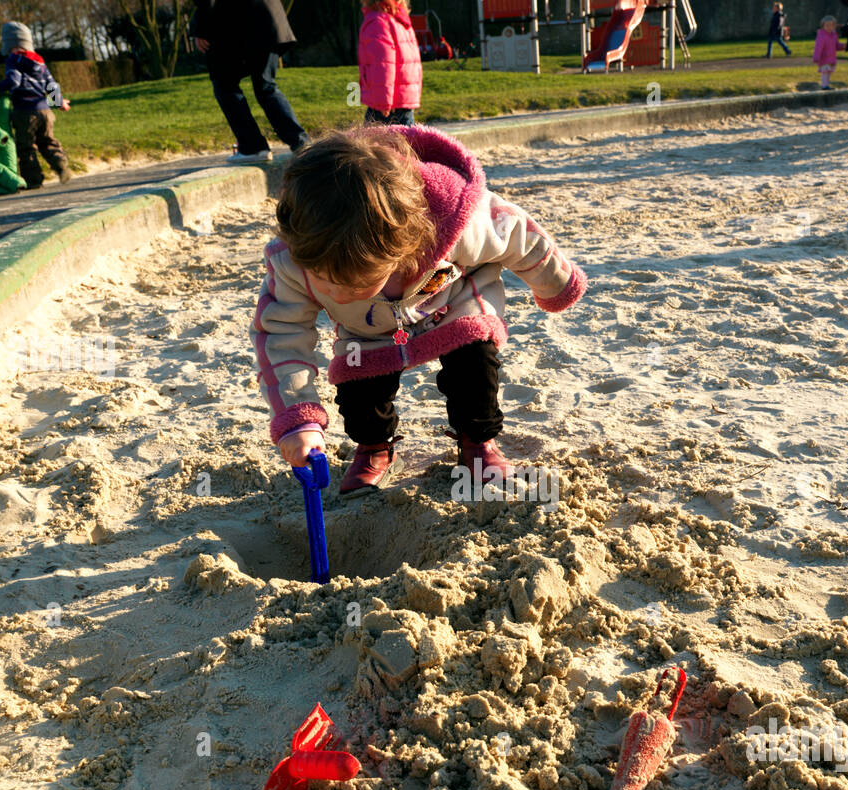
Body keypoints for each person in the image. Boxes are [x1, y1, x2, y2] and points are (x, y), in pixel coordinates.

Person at [254, 127, 588, 496]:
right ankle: (374, 447)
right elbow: (280, 335)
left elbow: (516, 234)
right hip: (366, 329)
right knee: (358, 387)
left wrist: (556, 283)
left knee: (474, 366)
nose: (332, 292)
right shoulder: (294, 259)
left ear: (398, 248)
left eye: (350, 282)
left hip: (451, 303)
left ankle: (477, 443)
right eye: (323, 280)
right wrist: (297, 419)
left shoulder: (454, 220)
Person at [189, 0, 306, 163]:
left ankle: (253, 147)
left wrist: (200, 28)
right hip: (268, 17)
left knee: (224, 84)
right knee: (266, 87)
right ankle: (301, 143)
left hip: (238, 21)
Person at [0, 21, 70, 189]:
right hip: (45, 111)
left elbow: (13, 81)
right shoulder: (40, 61)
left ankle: (34, 180)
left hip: (24, 111)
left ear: (10, 45)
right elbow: (50, 84)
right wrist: (59, 102)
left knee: (26, 146)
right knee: (48, 142)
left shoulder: (13, 60)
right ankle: (61, 165)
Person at [359, 0, 423, 125]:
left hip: (385, 105)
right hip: (403, 99)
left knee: (366, 143)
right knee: (407, 141)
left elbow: (383, 64)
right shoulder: (400, 19)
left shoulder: (377, 22)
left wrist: (383, 102)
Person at [813, 15, 847, 88]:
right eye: (827, 25)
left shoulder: (834, 35)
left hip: (831, 58)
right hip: (824, 58)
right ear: (823, 26)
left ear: (834, 26)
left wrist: (843, 46)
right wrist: (816, 56)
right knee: (825, 72)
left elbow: (836, 45)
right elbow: (818, 47)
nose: (829, 27)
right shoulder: (821, 35)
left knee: (828, 72)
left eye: (831, 25)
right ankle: (824, 86)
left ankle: (826, 85)